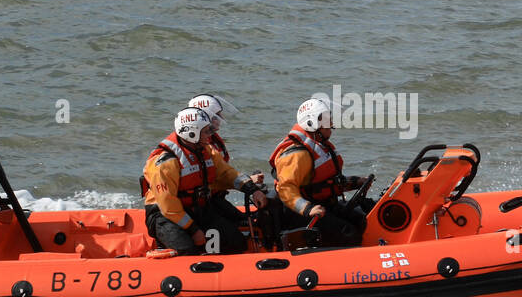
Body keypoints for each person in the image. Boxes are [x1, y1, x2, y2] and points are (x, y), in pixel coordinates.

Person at [142, 108, 266, 255]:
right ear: (192, 133)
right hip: (165, 216)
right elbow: (168, 206)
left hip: (198, 209)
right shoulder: (165, 163)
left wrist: (252, 190)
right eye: (206, 131)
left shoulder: (205, 151)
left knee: (235, 242)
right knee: (187, 250)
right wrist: (193, 230)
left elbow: (227, 173)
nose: (210, 135)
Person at [269, 98, 374, 247]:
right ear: (312, 122)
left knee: (361, 218)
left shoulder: (319, 146)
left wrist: (356, 182)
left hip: (322, 205)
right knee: (348, 233)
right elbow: (285, 189)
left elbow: (324, 184)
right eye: (326, 120)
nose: (330, 123)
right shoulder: (298, 154)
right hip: (300, 213)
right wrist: (307, 209)